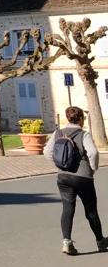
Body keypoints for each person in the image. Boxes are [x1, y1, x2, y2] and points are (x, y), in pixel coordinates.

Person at [44, 106, 106, 255]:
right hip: (83, 177)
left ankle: (67, 242)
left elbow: (47, 152)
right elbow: (93, 153)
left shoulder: (57, 133)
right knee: (90, 210)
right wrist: (93, 168)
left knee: (67, 208)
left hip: (63, 177)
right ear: (80, 119)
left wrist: (60, 165)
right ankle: (100, 241)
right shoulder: (83, 134)